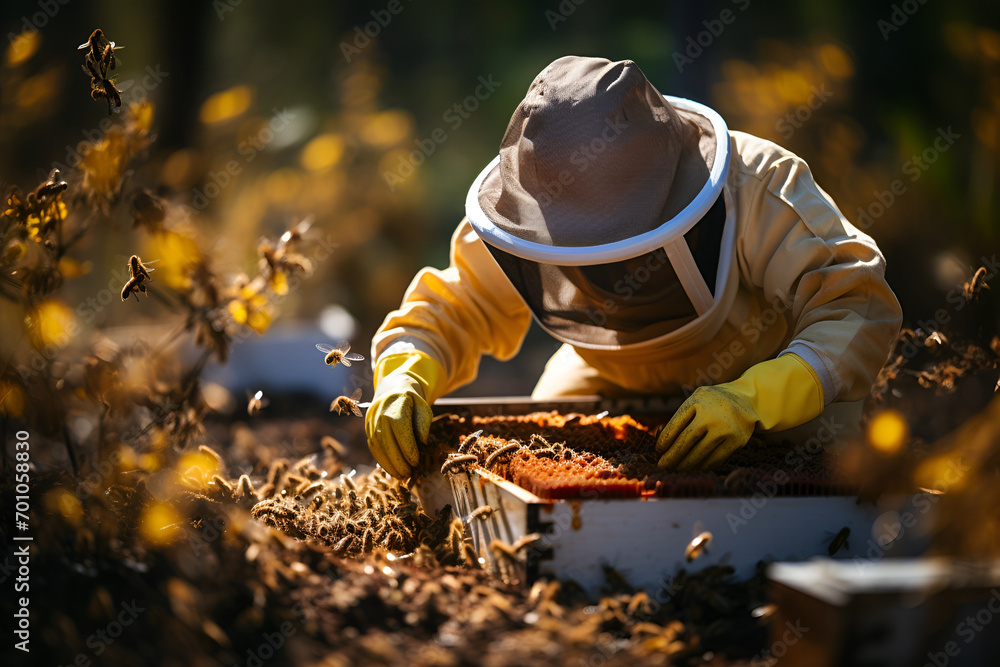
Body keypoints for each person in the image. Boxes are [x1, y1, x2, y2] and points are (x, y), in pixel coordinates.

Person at [364, 56, 902, 480]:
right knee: (545, 430)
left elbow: (855, 304)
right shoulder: (523, 217)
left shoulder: (759, 187)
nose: (606, 285)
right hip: (608, 373)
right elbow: (454, 306)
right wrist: (404, 374)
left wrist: (757, 398)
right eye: (577, 255)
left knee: (826, 471)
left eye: (619, 254)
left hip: (759, 382)